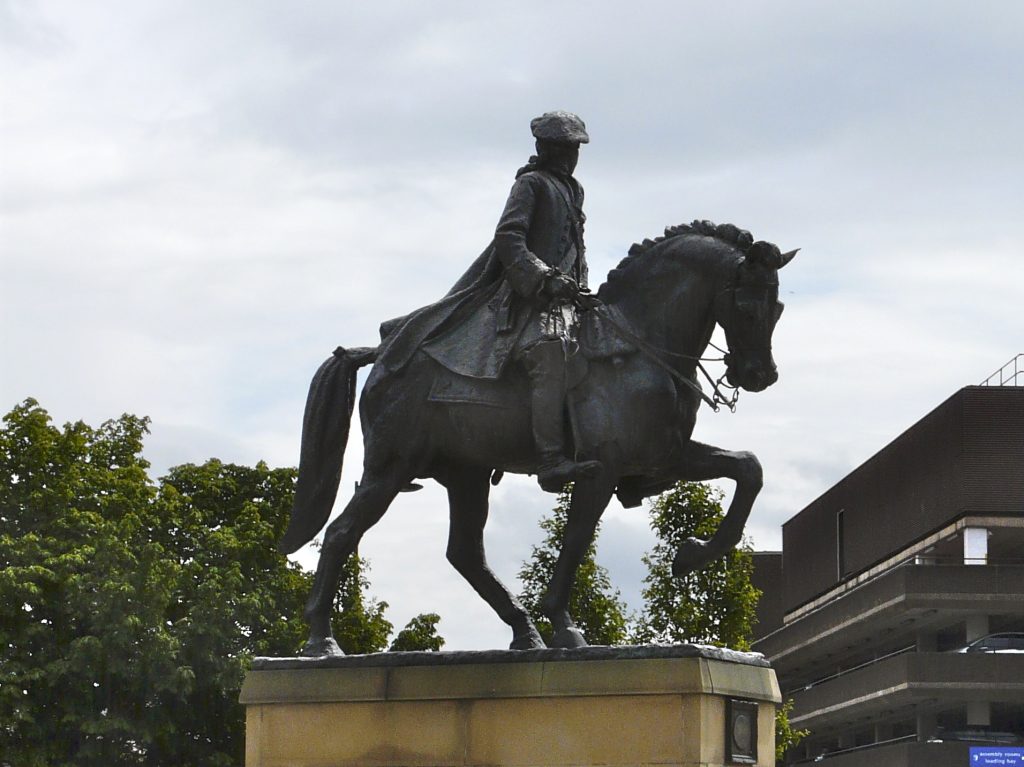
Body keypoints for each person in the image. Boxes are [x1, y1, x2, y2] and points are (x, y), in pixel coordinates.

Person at [372, 111, 602, 491]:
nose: (571, 155)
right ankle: (550, 458)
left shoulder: (574, 190)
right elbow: (510, 239)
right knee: (550, 355)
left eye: (575, 148)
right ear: (545, 148)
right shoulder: (530, 184)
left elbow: (573, 247)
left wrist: (579, 287)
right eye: (565, 147)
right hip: (525, 300)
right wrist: (544, 278)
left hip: (565, 301)